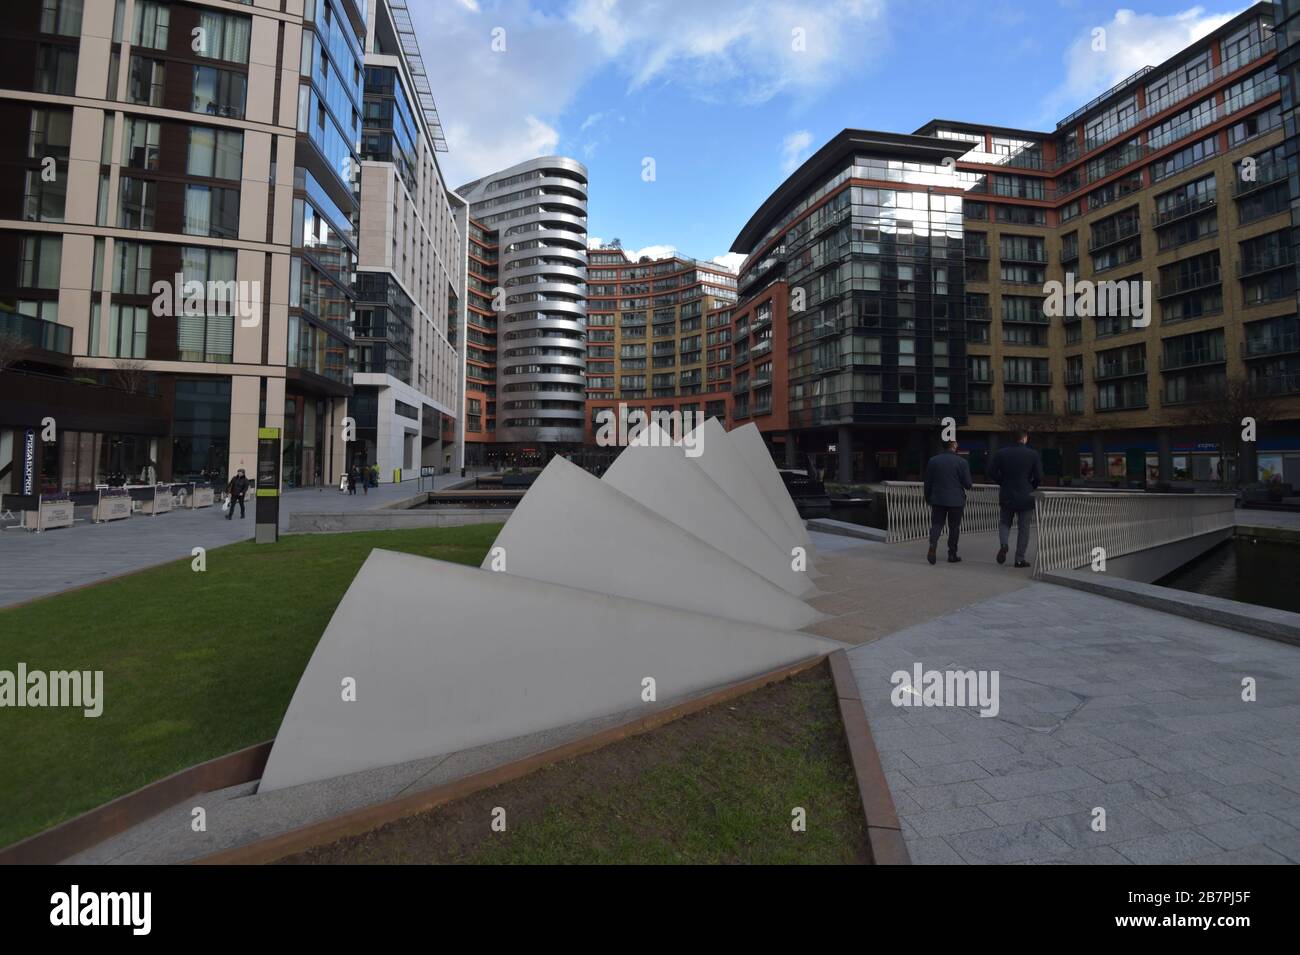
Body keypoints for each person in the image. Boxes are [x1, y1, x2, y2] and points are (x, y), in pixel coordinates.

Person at [987, 431, 1044, 568]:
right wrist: (1031, 486)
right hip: (1026, 494)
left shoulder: (1001, 453)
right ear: (1024, 439)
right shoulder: (1033, 454)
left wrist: (1003, 482)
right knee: (1024, 528)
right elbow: (1039, 476)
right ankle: (1019, 559)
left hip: (1007, 492)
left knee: (1004, 522)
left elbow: (991, 472)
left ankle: (1004, 544)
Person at [922, 439, 973, 565]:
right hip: (956, 500)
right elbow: (968, 484)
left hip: (938, 499)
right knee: (954, 527)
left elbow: (927, 482)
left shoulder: (933, 461)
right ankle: (952, 554)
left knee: (937, 524)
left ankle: (933, 545)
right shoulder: (962, 462)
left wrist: (927, 497)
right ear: (954, 446)